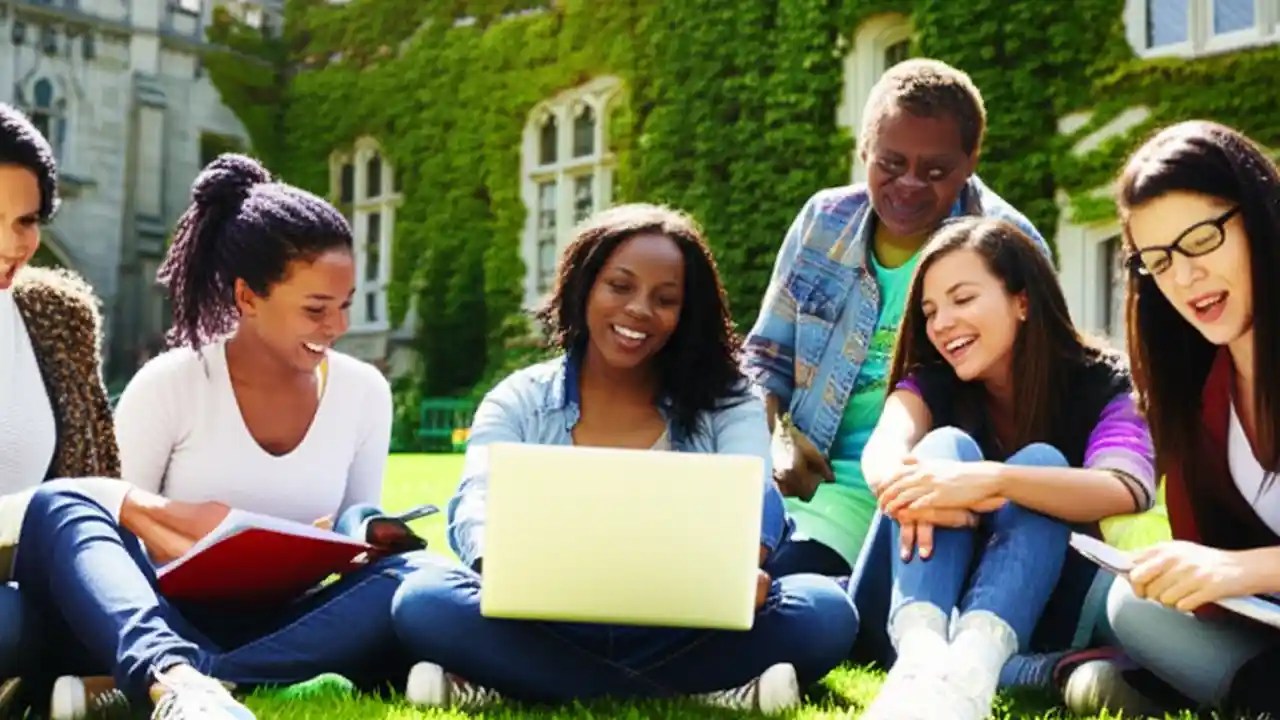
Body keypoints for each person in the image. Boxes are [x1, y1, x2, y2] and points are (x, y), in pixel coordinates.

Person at [389, 204, 857, 714]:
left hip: (688, 622)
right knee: (423, 599)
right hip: (544, 618)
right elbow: (476, 499)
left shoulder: (729, 401)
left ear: (686, 313)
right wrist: (495, 565)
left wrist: (744, 567)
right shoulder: (519, 399)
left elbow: (757, 495)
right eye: (619, 286)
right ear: (584, 286)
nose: (639, 309)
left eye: (665, 299)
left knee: (825, 610)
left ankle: (513, 683)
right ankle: (710, 689)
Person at [14, 154, 427, 720]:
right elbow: (111, 543)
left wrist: (354, 542)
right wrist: (181, 525)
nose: (337, 327)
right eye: (315, 309)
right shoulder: (171, 383)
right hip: (159, 613)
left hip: (288, 620)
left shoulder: (365, 393)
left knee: (413, 581)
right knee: (64, 502)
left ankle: (200, 676)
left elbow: (356, 539)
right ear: (247, 297)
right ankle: (181, 673)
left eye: (345, 306)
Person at [743, 58, 1050, 580]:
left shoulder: (1008, 243)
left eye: (935, 172)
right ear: (864, 150)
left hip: (931, 489)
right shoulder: (824, 222)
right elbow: (764, 359)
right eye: (890, 163)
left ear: (971, 161)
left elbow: (1034, 392)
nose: (909, 185)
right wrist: (775, 436)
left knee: (795, 586)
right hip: (811, 484)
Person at [847, 217, 1155, 720]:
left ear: (1022, 300)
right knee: (943, 445)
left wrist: (988, 481)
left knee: (1042, 465)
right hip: (907, 600)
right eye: (930, 311)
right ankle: (925, 655)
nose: (941, 323)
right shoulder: (931, 382)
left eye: (963, 299)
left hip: (1034, 607)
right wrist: (914, 485)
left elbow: (1125, 486)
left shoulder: (1106, 384)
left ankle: (975, 662)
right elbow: (884, 448)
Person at [1093, 120, 1280, 717]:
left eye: (1201, 239)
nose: (1183, 276)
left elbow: (1236, 566)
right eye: (1158, 260)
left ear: (1260, 217)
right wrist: (1189, 573)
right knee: (1132, 605)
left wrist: (1239, 569)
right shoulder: (1197, 389)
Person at [0, 102, 138, 713]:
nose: (13, 242)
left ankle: (173, 678)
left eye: (27, 220)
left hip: (46, 592)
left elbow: (98, 481)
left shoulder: (56, 314)